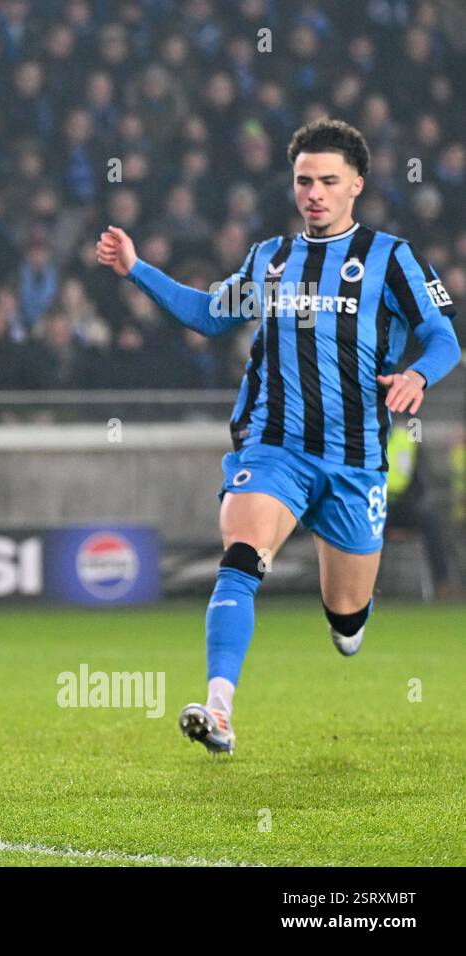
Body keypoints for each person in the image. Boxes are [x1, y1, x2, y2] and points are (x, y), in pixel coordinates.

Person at [97, 118, 460, 755]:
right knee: (240, 558)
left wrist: (417, 376)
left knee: (346, 620)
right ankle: (220, 708)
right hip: (273, 447)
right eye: (302, 181)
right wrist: (137, 269)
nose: (312, 192)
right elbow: (210, 315)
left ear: (356, 185)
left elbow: (443, 336)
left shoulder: (392, 259)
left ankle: (349, 620)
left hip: (356, 462)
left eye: (326, 181)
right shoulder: (271, 259)